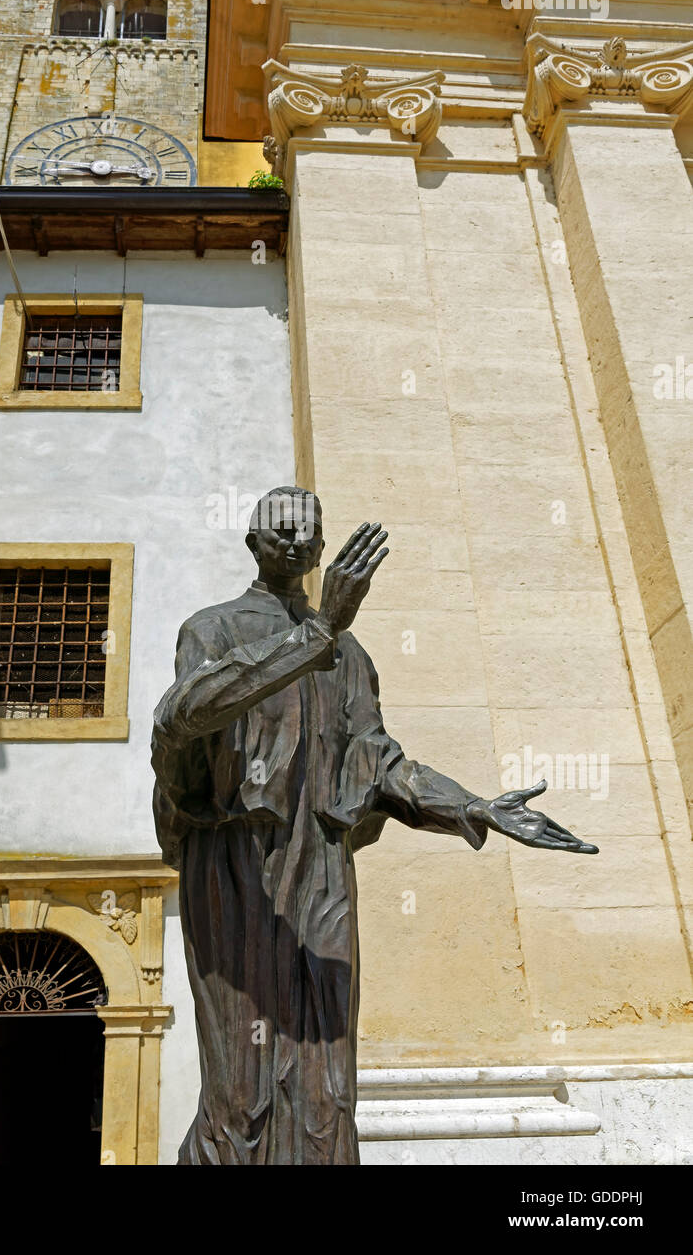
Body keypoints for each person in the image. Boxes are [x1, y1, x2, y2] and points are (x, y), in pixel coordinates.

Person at [151, 486, 597, 1165]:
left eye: (310, 532)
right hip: (236, 861)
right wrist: (315, 634)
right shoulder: (212, 629)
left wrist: (472, 808)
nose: (297, 542)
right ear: (252, 543)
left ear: (324, 547)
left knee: (326, 1079)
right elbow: (187, 714)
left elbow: (378, 761)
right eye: (281, 530)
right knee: (241, 1086)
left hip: (323, 865)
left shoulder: (349, 655)